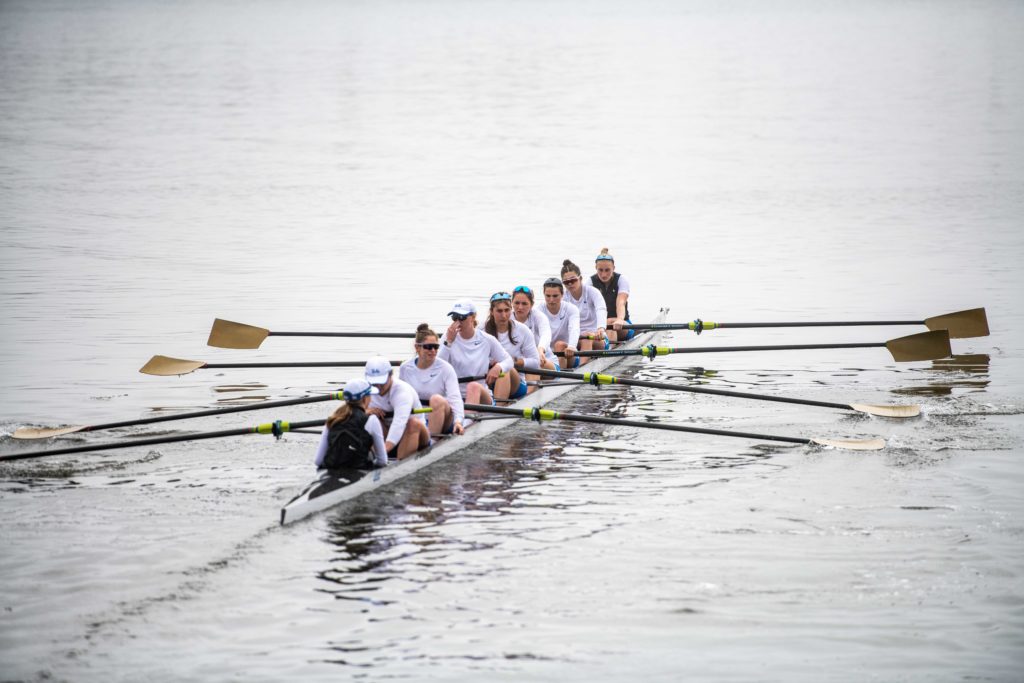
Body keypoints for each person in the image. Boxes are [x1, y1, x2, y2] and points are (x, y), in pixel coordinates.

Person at [439, 299, 514, 406]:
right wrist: (449, 343)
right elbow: (437, 366)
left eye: (462, 317)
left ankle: (466, 422)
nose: (457, 322)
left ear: (473, 317)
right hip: (454, 396)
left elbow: (508, 360)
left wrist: (498, 368)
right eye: (454, 318)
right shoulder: (447, 338)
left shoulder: (487, 339)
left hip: (481, 396)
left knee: (473, 387)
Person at [399, 323, 466, 437]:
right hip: (417, 418)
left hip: (444, 417)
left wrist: (458, 421)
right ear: (417, 347)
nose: (433, 351)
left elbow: (455, 399)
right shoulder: (405, 368)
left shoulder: (446, 368)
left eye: (436, 347)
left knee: (436, 400)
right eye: (428, 347)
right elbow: (399, 397)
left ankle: (432, 442)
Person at [364, 355, 431, 460]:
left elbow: (399, 423)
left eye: (381, 382)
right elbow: (350, 416)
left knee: (413, 423)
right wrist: (364, 412)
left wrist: (383, 451)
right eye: (374, 383)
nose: (378, 387)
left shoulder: (402, 391)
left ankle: (396, 464)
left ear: (391, 375)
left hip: (414, 435)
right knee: (369, 419)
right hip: (386, 435)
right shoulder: (364, 390)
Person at [313, 378, 388, 470]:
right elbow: (382, 461)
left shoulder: (332, 419)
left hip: (331, 471)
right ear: (365, 398)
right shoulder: (372, 420)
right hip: (359, 472)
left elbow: (318, 461)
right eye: (370, 395)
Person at [484, 291, 539, 400]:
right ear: (491, 311)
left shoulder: (522, 330)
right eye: (499, 311)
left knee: (505, 369)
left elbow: (535, 362)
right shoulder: (481, 330)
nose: (504, 316)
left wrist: (516, 361)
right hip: (486, 379)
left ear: (511, 310)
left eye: (507, 310)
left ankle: (498, 410)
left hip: (516, 382)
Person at [560, 258, 608, 360]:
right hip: (575, 339)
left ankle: (582, 368)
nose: (570, 284)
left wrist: (601, 328)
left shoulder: (592, 292)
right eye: (566, 282)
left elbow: (601, 309)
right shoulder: (563, 298)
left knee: (587, 337)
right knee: (559, 344)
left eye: (573, 280)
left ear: (580, 278)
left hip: (597, 337)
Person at [511, 284, 559, 374]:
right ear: (512, 303)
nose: (520, 307)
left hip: (545, 361)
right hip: (519, 362)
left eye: (524, 303)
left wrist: (540, 350)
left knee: (534, 363)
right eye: (517, 303)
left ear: (532, 304)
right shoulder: (506, 317)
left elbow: (546, 334)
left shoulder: (538, 316)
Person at [591, 247, 633, 341]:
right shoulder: (590, 282)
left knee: (611, 322)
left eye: (607, 270)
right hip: (600, 328)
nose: (604, 274)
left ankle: (609, 353)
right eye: (600, 270)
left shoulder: (621, 280)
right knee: (607, 323)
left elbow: (621, 302)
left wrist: (619, 319)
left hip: (622, 325)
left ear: (613, 268)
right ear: (596, 268)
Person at [540, 276, 582, 369]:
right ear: (544, 294)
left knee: (559, 345)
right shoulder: (538, 310)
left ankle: (560, 377)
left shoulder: (571, 309)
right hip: (547, 354)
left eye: (555, 296)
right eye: (548, 296)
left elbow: (574, 329)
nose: (551, 300)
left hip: (569, 354)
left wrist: (571, 346)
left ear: (562, 295)